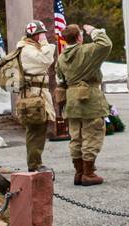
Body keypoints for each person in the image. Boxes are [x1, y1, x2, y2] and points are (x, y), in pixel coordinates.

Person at [56, 22, 113, 186]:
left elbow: (61, 79)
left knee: (76, 137)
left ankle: (79, 173)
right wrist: (93, 31)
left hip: (72, 100)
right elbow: (105, 44)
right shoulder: (86, 50)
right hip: (90, 99)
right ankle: (88, 173)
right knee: (92, 134)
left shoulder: (61, 57)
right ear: (80, 37)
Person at [16, 20, 56, 173]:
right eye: (42, 34)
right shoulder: (27, 50)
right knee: (36, 131)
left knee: (38, 130)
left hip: (36, 96)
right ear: (36, 35)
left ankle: (36, 163)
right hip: (34, 97)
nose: (44, 36)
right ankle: (34, 165)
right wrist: (46, 44)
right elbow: (46, 60)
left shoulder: (29, 48)